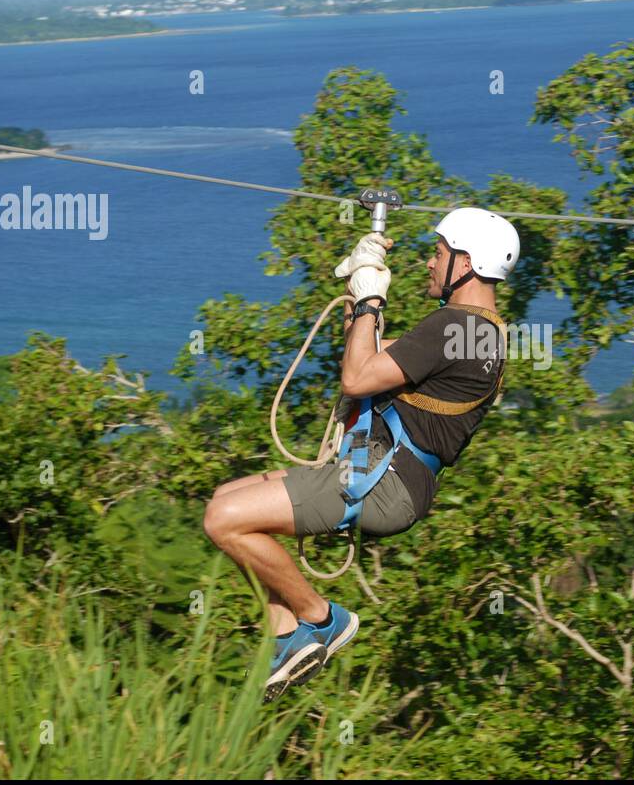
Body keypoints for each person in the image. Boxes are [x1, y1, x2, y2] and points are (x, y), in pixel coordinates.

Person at [202, 207, 521, 699]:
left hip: (381, 481)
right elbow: (365, 356)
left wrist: (372, 295)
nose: (430, 264)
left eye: (439, 254)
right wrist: (360, 290)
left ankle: (321, 619)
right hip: (386, 477)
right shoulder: (484, 334)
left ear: (467, 262)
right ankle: (287, 637)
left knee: (223, 519)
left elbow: (354, 379)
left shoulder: (455, 328)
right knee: (230, 498)